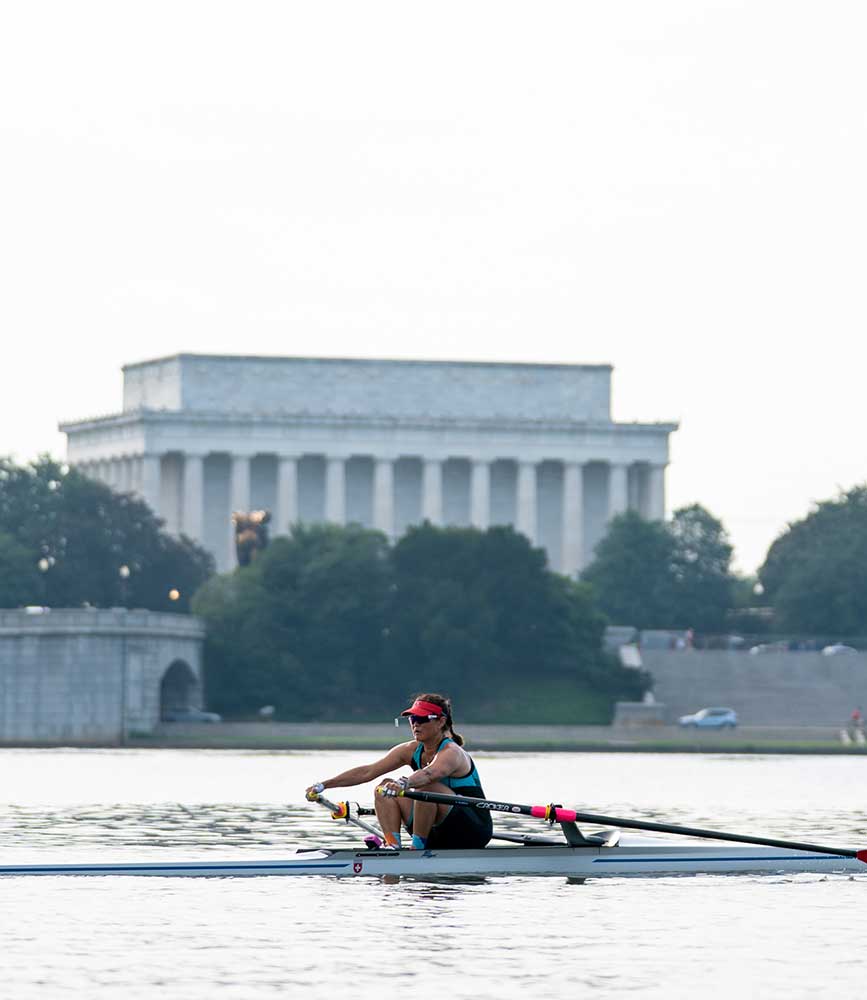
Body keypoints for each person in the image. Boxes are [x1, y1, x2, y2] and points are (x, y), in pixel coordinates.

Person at [305, 693, 492, 851]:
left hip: (471, 830)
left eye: (422, 719)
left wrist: (404, 783)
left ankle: (417, 849)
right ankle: (393, 846)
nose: (415, 725)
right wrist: (323, 785)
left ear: (441, 721)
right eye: (412, 719)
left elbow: (429, 774)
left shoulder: (452, 752)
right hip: (437, 830)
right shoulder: (409, 750)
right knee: (383, 788)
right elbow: (367, 772)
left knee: (426, 787)